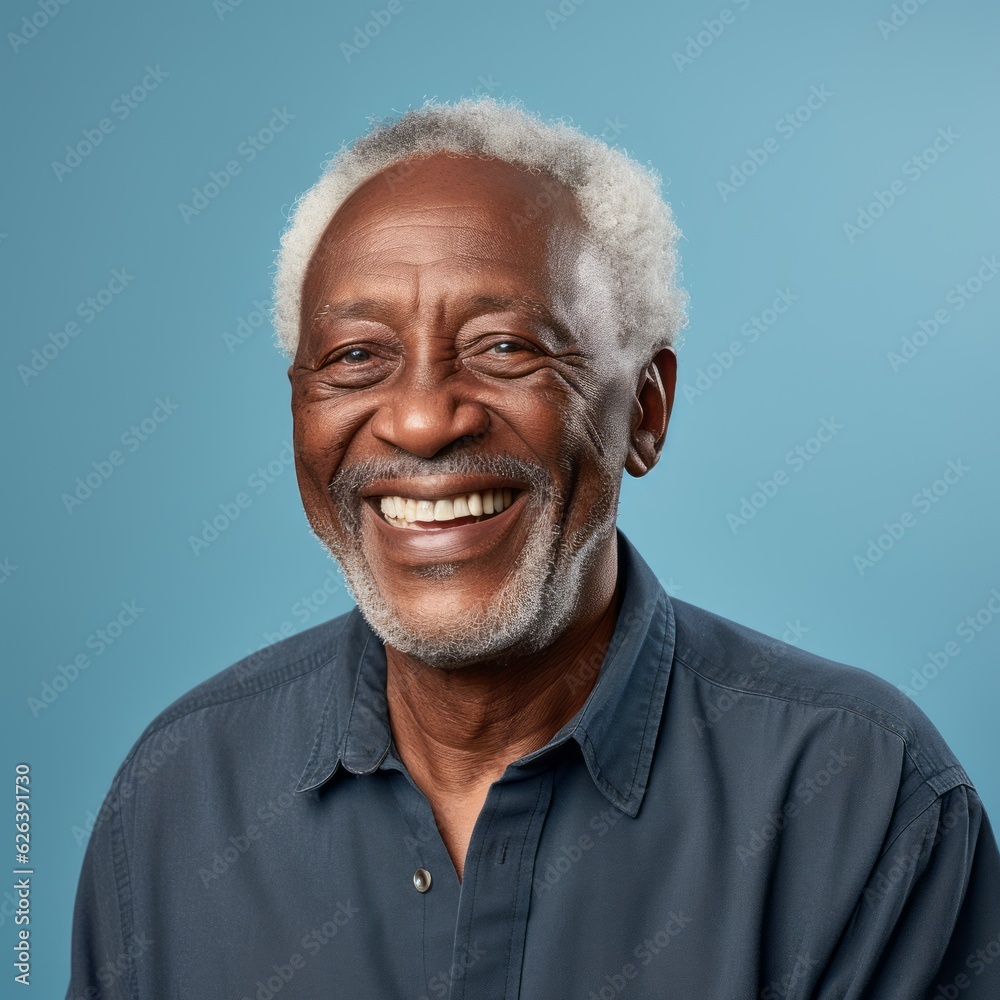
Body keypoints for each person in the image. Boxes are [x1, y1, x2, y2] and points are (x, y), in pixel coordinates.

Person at [67, 98, 1000, 1000]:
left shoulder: (865, 801)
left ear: (645, 409)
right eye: (356, 355)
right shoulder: (176, 803)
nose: (424, 419)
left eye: (506, 347)